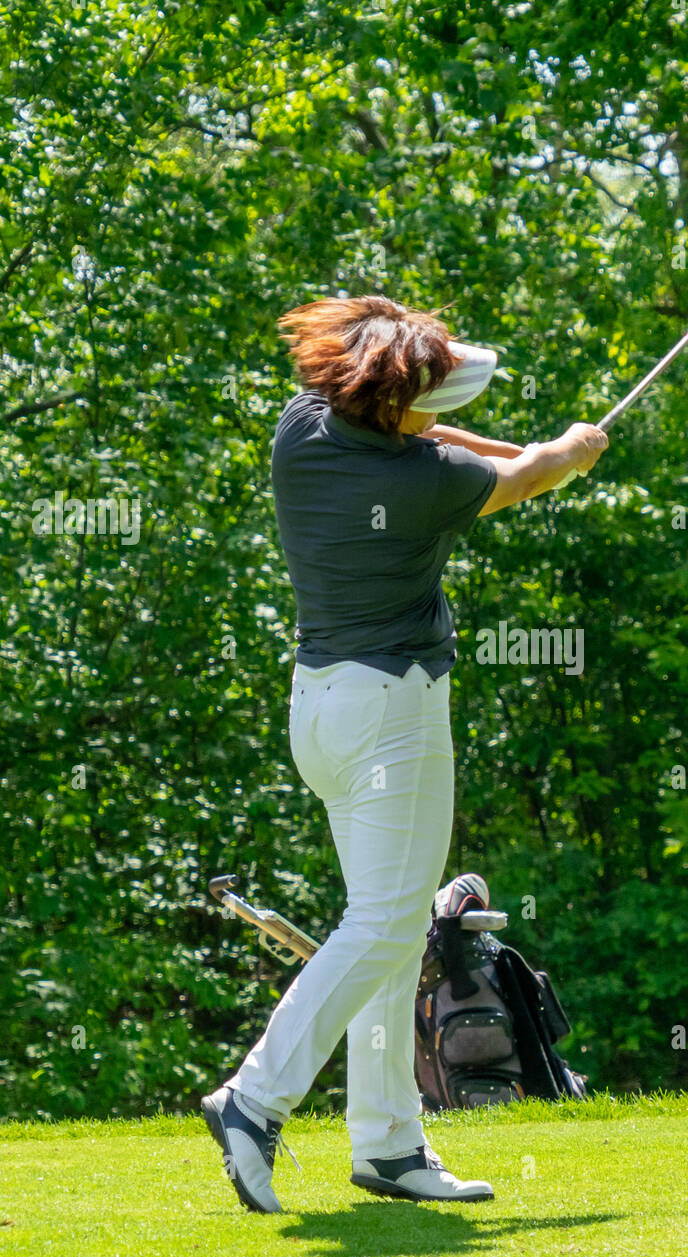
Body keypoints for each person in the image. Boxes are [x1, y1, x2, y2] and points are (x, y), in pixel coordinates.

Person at [201, 295, 607, 1210]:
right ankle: (254, 1097)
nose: (447, 413)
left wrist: (536, 449)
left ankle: (387, 1145)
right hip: (395, 718)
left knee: (388, 932)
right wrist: (572, 454)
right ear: (398, 408)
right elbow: (525, 474)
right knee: (386, 926)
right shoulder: (426, 484)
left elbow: (459, 450)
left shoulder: (302, 428)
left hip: (322, 714)